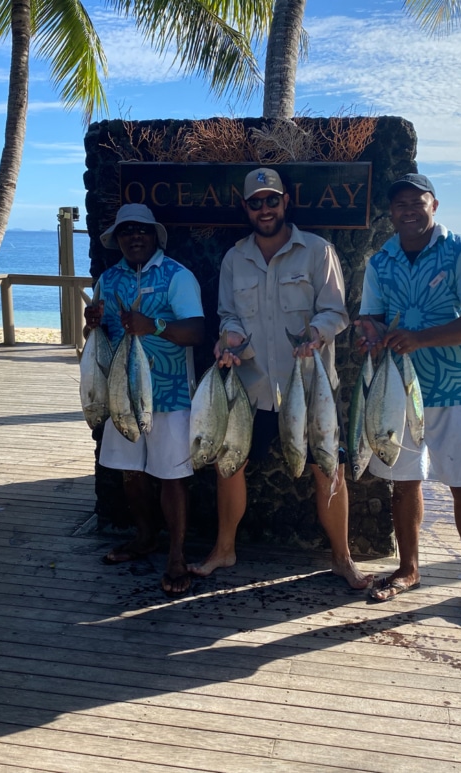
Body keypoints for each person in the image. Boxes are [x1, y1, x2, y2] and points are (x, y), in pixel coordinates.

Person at [188, 167, 372, 589]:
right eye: (256, 202)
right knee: (228, 465)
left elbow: (336, 311)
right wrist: (228, 337)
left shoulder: (318, 251)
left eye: (272, 200)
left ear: (285, 202)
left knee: (329, 467)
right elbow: (228, 315)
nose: (265, 208)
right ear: (246, 208)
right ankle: (224, 549)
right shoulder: (235, 258)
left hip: (308, 389)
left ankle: (342, 558)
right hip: (250, 389)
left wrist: (315, 334)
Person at [356, 173, 461, 627]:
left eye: (417, 202)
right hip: (399, 391)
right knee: (404, 484)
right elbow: (371, 319)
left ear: (434, 204)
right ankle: (409, 568)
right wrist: (371, 336)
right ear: (390, 212)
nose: (408, 211)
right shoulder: (381, 261)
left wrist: (419, 338)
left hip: (456, 389)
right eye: (400, 204)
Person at [85, 203, 205, 596]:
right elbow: (97, 340)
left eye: (142, 230)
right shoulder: (108, 279)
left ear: (154, 235)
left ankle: (175, 553)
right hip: (121, 394)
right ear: (117, 239)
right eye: (126, 231)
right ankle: (145, 537)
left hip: (170, 394)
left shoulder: (177, 276)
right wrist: (91, 323)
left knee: (172, 476)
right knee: (129, 472)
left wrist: (152, 325)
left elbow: (197, 332)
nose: (134, 237)